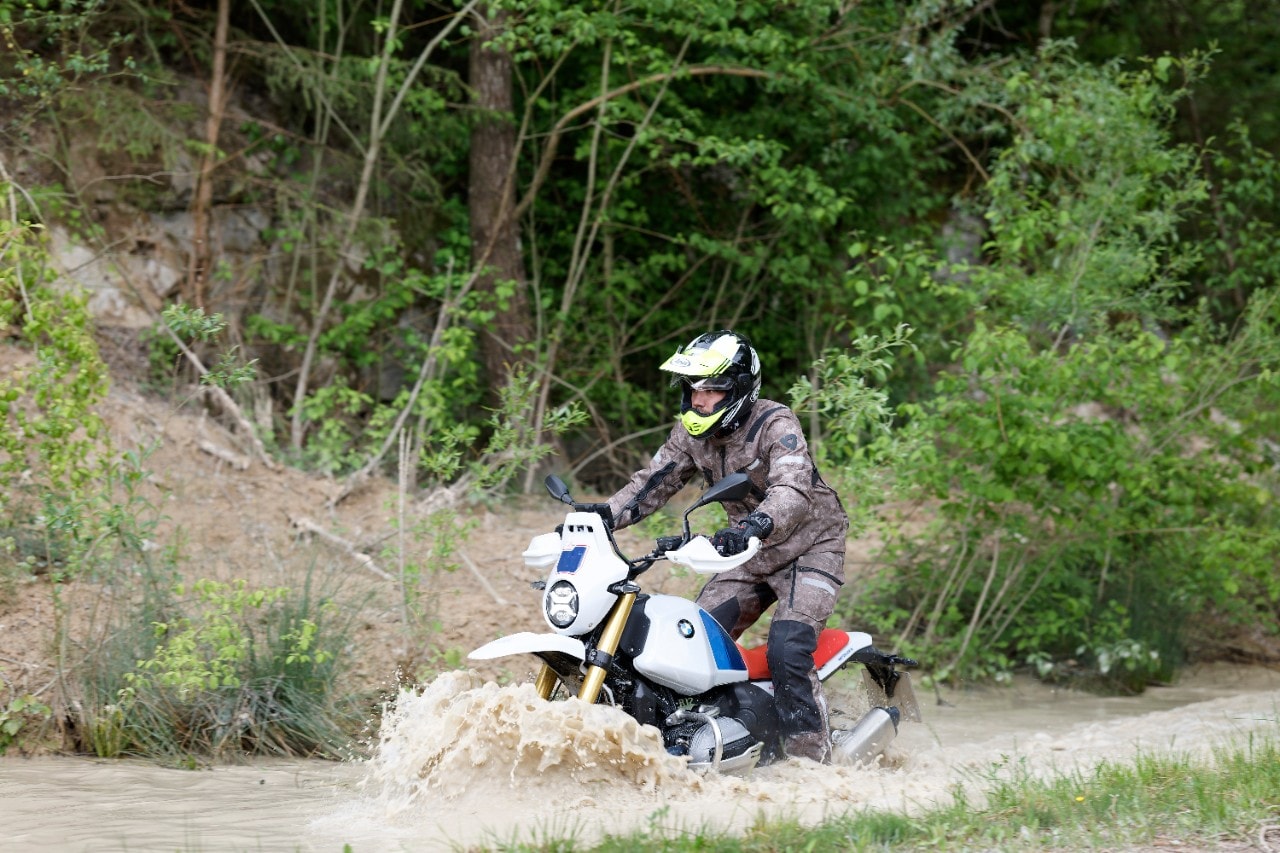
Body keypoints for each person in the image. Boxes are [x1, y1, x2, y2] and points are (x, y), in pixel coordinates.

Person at [603, 329, 850, 763]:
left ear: (738, 388)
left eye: (712, 389)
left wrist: (755, 524)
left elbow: (792, 489)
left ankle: (812, 765)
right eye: (693, 389)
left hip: (811, 547)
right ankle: (709, 739)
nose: (699, 400)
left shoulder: (775, 424)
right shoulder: (690, 433)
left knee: (788, 649)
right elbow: (651, 485)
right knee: (692, 642)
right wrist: (601, 516)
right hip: (748, 552)